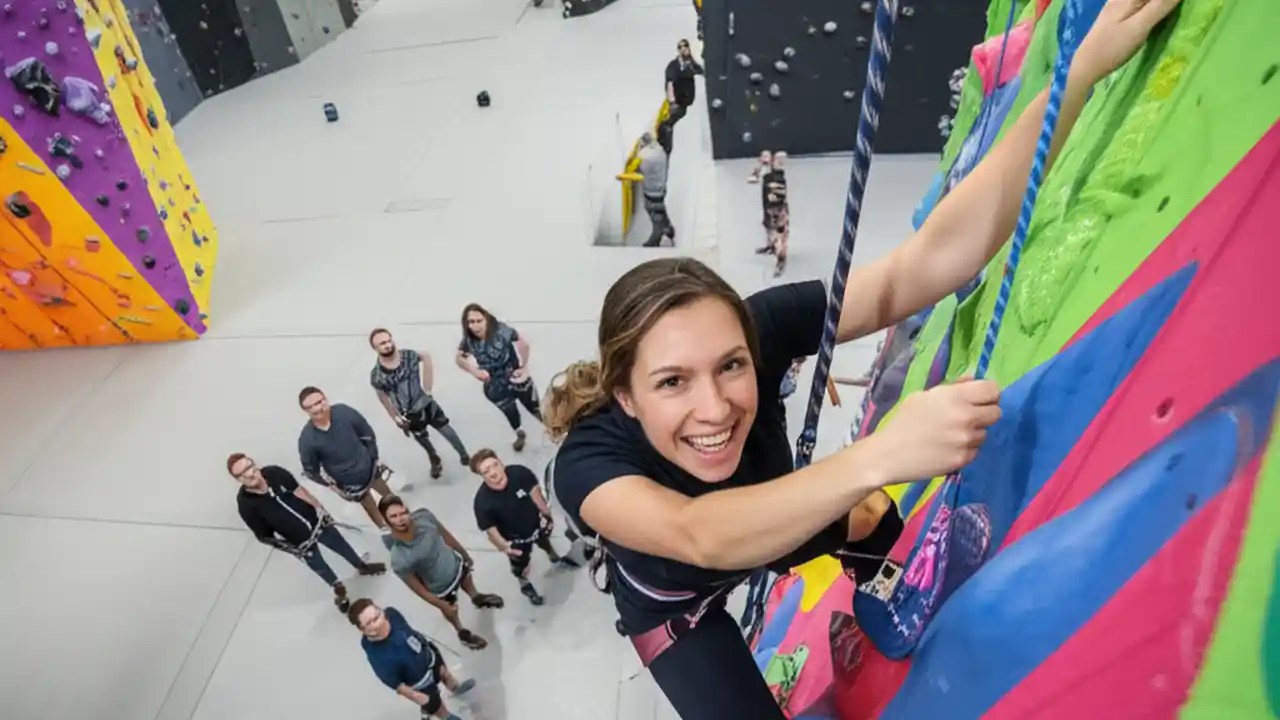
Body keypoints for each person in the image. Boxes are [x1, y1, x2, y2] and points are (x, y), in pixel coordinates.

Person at [543, 2, 1175, 714]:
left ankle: (887, 593)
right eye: (671, 382)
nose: (715, 406)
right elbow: (703, 536)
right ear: (624, 397)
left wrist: (1078, 77)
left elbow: (929, 262)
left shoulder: (762, 326)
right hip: (680, 604)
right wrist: (883, 455)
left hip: (776, 522)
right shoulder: (588, 464)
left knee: (871, 516)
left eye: (731, 365)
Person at [229, 453, 386, 613]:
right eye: (242, 474)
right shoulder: (246, 506)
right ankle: (340, 592)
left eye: (249, 466)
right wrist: (292, 549)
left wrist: (320, 509)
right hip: (301, 543)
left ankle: (361, 566)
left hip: (318, 524)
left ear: (254, 464)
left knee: (341, 545)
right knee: (322, 568)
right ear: (238, 479)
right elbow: (264, 536)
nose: (249, 473)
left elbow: (299, 490)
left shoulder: (275, 473)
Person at [380, 494, 504, 650]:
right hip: (440, 586)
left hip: (454, 564)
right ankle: (461, 631)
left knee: (466, 578)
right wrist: (440, 605)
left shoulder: (425, 517)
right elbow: (417, 588)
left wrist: (464, 554)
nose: (401, 519)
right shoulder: (399, 558)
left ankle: (476, 597)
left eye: (403, 513)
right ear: (386, 520)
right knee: (451, 610)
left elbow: (445, 535)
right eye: (394, 516)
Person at [471, 448, 579, 606]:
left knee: (545, 542)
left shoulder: (520, 473)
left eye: (495, 465)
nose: (494, 473)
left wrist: (547, 514)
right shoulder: (482, 503)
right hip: (516, 539)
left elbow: (535, 494)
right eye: (486, 471)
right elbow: (491, 532)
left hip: (536, 525)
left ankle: (554, 557)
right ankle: (524, 584)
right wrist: (505, 547)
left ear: (501, 462)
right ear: (481, 476)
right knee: (519, 564)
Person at [369, 328, 472, 480]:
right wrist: (395, 418)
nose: (388, 345)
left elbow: (426, 356)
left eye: (389, 340)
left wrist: (428, 387)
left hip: (427, 404)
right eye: (382, 343)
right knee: (422, 438)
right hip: (408, 414)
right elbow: (383, 398)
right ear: (375, 348)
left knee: (446, 429)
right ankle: (434, 457)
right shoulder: (377, 375)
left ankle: (463, 454)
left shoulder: (409, 356)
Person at [350, 598, 475, 720]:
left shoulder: (392, 614)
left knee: (444, 673)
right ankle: (445, 716)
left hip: (428, 656)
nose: (379, 622)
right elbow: (397, 686)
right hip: (420, 681)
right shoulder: (379, 658)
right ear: (362, 629)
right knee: (436, 704)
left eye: (377, 615)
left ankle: (455, 688)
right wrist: (419, 698)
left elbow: (408, 629)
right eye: (369, 623)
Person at [297, 386, 396, 528]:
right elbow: (311, 471)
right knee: (370, 506)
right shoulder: (307, 440)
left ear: (325, 399)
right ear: (305, 411)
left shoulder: (344, 412)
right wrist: (334, 487)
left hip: (370, 469)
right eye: (311, 406)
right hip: (349, 482)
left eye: (319, 402)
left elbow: (367, 434)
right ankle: (384, 528)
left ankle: (404, 518)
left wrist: (373, 457)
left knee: (389, 497)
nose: (318, 408)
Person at [455, 304, 542, 451]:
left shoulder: (501, 330)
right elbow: (459, 358)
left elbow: (523, 344)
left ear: (486, 319)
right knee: (510, 412)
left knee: (534, 407)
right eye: (471, 322)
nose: (475, 326)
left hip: (515, 376)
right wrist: (474, 371)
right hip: (495, 385)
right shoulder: (469, 340)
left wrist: (524, 366)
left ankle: (554, 430)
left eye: (478, 320)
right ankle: (519, 432)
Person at [660, 38, 703, 156]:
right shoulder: (673, 66)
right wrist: (672, 101)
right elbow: (669, 84)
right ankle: (666, 149)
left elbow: (702, 73)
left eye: (686, 47)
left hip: (687, 103)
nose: (684, 50)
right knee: (667, 124)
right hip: (677, 103)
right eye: (681, 47)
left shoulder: (692, 65)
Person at [637, 132, 675, 248]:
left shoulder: (645, 156)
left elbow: (641, 169)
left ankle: (656, 239)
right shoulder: (660, 151)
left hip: (651, 192)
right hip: (661, 189)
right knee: (659, 213)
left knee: (655, 216)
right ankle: (667, 228)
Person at [756, 151, 790, 277]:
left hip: (777, 206)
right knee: (767, 223)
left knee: (779, 231)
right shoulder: (767, 173)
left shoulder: (778, 179)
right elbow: (754, 176)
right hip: (768, 204)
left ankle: (781, 259)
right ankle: (770, 246)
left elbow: (778, 196)